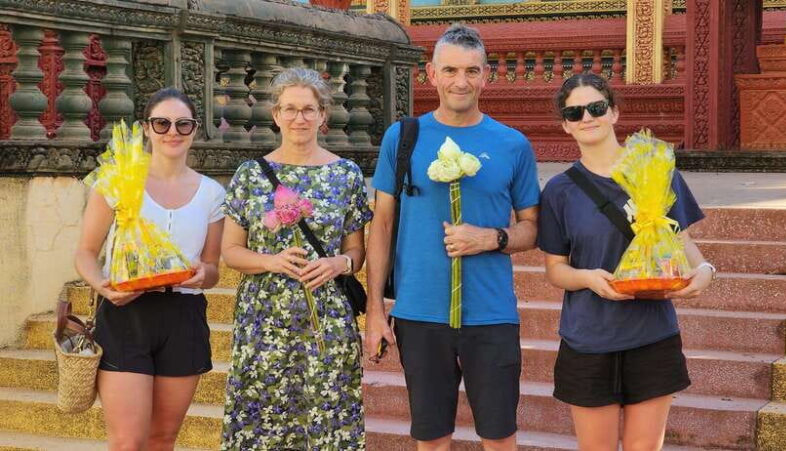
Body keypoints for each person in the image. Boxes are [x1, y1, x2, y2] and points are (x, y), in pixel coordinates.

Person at [366, 24, 540, 451]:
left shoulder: (511, 144)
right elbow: (382, 224)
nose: (460, 81)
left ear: (486, 75)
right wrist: (374, 310)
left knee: (499, 436)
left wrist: (491, 238)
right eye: (450, 70)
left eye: (471, 71)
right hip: (419, 311)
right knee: (431, 437)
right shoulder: (403, 137)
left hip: (491, 313)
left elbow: (532, 227)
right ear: (431, 74)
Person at [537, 73, 716, 450]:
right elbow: (556, 269)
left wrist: (704, 271)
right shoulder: (559, 191)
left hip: (651, 336)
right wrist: (587, 278)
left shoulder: (656, 170)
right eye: (574, 112)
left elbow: (682, 242)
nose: (587, 117)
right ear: (565, 126)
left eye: (597, 107)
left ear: (614, 113)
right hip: (589, 338)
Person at [219, 67, 372, 450]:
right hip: (263, 319)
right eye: (289, 109)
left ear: (323, 115)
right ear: (275, 115)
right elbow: (230, 251)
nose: (298, 118)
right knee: (263, 419)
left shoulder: (346, 175)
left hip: (327, 320)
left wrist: (339, 264)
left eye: (308, 109)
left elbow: (357, 251)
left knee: (327, 415)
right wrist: (271, 261)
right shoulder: (250, 175)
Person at [74, 87, 225, 450]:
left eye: (182, 124)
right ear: (146, 128)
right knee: (127, 442)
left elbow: (213, 267)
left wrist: (204, 275)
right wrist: (102, 286)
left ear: (195, 130)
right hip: (127, 312)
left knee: (162, 440)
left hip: (183, 315)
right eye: (162, 123)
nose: (172, 132)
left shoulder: (212, 193)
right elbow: (85, 252)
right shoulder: (117, 180)